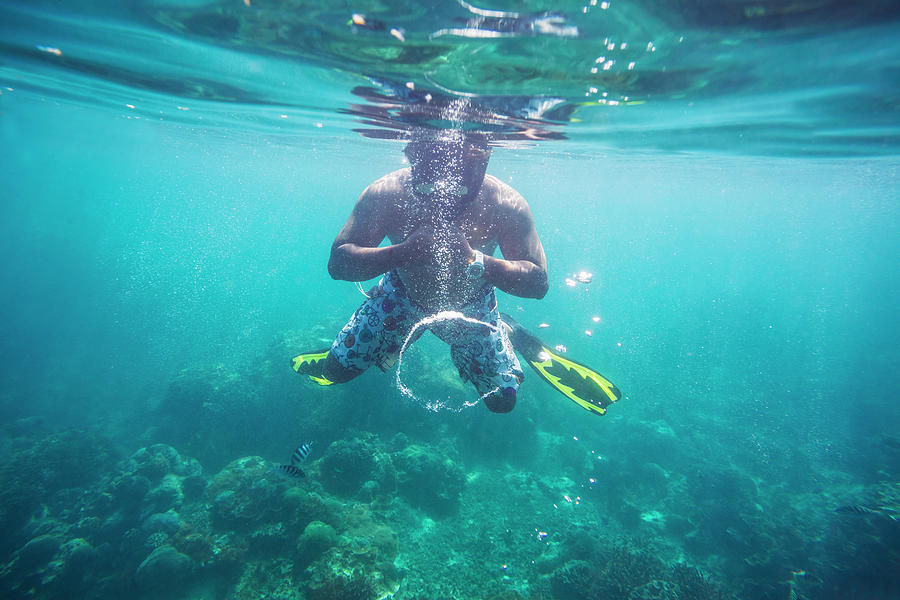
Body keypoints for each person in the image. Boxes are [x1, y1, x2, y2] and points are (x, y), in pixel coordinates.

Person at [316, 130, 548, 413]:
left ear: (482, 166)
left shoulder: (504, 202)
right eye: (427, 188)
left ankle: (505, 326)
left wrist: (474, 259)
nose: (443, 199)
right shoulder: (387, 192)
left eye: (460, 191)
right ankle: (407, 334)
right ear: (413, 161)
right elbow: (337, 264)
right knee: (335, 372)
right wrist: (404, 252)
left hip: (473, 304)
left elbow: (538, 283)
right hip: (401, 294)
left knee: (502, 401)